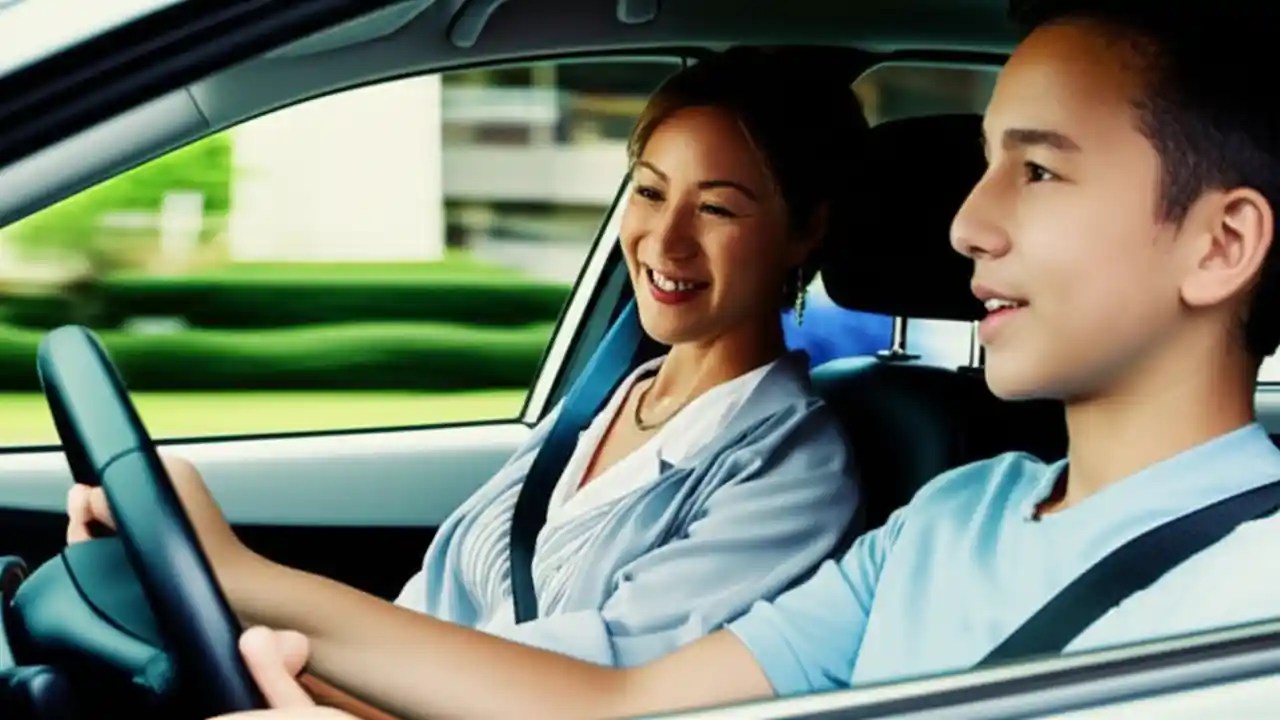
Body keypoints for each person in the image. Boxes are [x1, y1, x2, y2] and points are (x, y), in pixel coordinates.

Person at [185, 1, 1280, 717]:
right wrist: (241, 578)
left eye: (1036, 171)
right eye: (984, 163)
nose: (964, 225)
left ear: (1219, 244)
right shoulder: (952, 517)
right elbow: (619, 706)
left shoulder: (1256, 590)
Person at [71, 46, 867, 682]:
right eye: (650, 192)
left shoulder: (794, 469)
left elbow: (605, 689)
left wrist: (244, 590)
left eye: (717, 208)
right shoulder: (609, 400)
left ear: (805, 231)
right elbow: (430, 613)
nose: (665, 240)